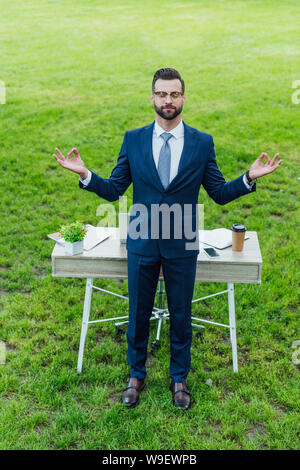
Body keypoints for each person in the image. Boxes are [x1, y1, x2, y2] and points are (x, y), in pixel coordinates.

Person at [53, 68, 283, 410]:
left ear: (183, 98)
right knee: (138, 311)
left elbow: (218, 192)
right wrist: (86, 174)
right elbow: (116, 188)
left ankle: (179, 378)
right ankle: (135, 374)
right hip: (142, 239)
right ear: (152, 98)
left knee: (180, 312)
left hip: (181, 241)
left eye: (174, 94)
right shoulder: (133, 139)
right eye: (162, 94)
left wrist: (248, 178)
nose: (168, 100)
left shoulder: (202, 143)